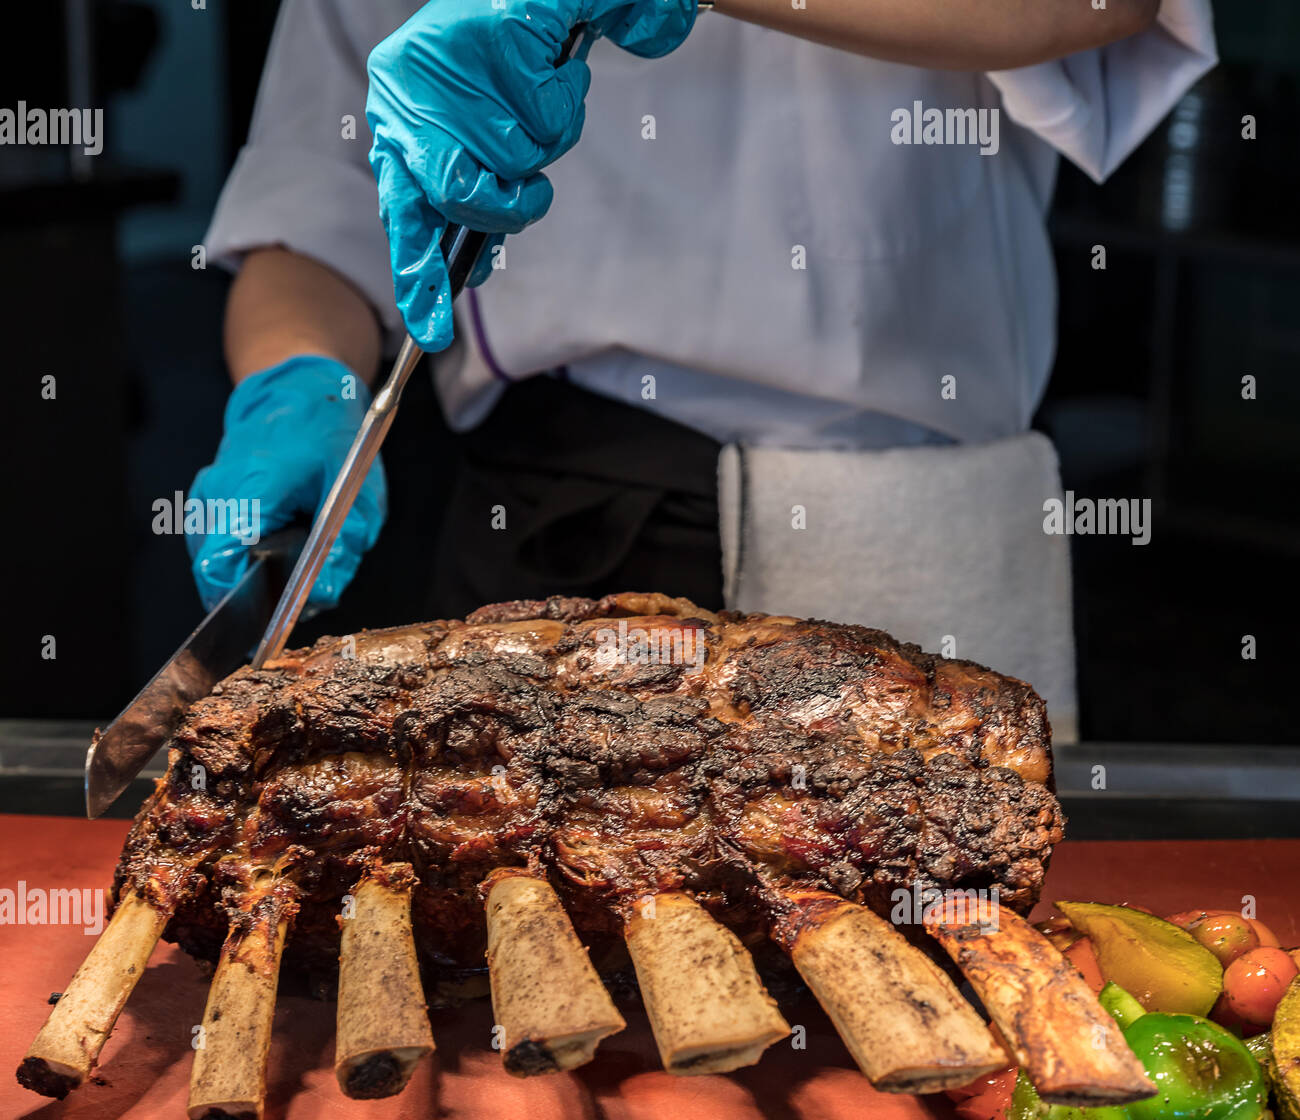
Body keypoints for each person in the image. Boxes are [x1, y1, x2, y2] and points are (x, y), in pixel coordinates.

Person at [194, 0, 1216, 738]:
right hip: (549, 541)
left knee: (946, 981)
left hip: (898, 543)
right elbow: (316, 207)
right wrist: (297, 383)